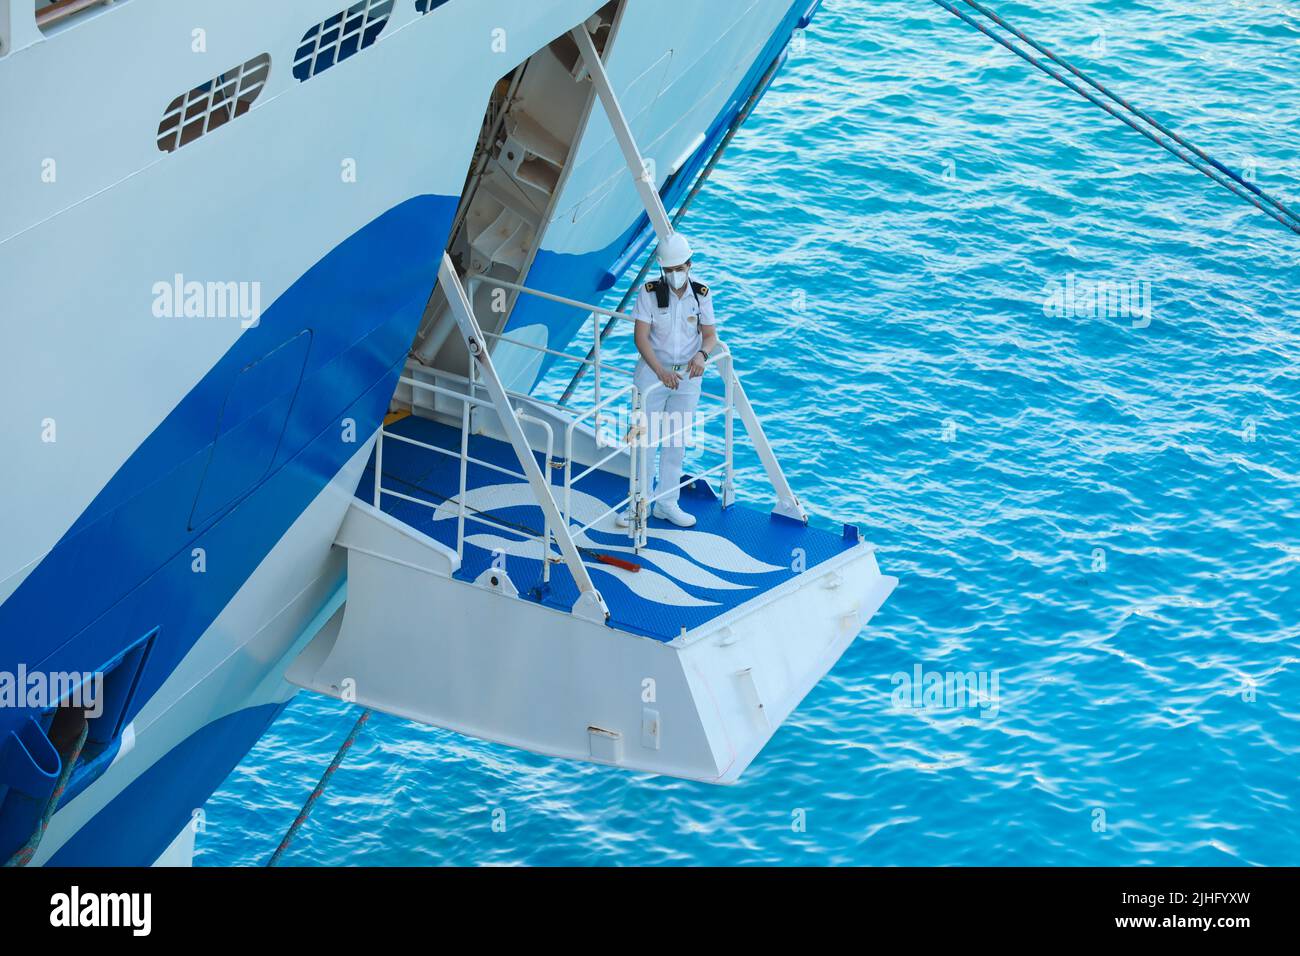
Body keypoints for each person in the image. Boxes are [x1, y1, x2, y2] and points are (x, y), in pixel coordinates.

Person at [619, 232, 717, 529]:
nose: (674, 275)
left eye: (679, 268)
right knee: (644, 441)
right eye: (669, 270)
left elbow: (711, 336)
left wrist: (702, 355)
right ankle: (639, 502)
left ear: (689, 264)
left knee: (676, 440)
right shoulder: (649, 293)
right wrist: (661, 371)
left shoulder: (701, 294)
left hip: (687, 376)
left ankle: (667, 503)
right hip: (652, 373)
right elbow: (640, 337)